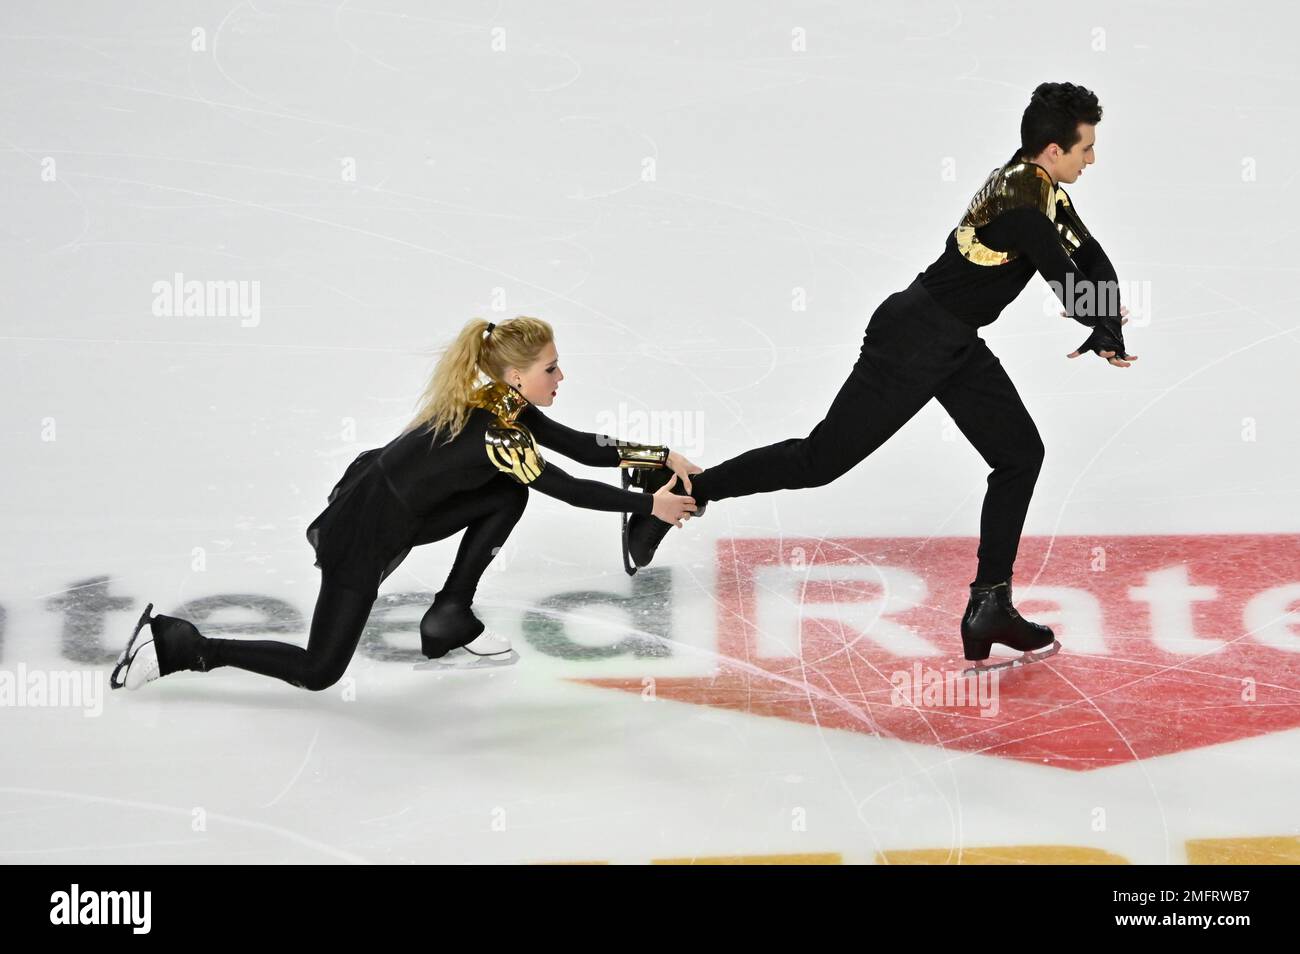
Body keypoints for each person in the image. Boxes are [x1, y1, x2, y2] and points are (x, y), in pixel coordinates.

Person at [625, 82, 1136, 674]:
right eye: (1086, 149)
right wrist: (1101, 321)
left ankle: (989, 606)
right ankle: (673, 495)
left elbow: (1090, 257)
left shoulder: (1041, 185)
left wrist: (1108, 327)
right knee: (820, 461)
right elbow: (1065, 280)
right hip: (913, 341)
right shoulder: (1022, 204)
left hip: (953, 342)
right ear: (1053, 149)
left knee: (1021, 455)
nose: (1091, 160)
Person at [112, 316, 699, 690]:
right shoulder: (499, 431)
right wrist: (650, 507)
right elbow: (566, 486)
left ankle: (448, 616)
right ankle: (182, 646)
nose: (561, 375)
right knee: (320, 671)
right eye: (551, 368)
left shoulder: (501, 404)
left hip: (398, 510)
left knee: (505, 492)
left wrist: (661, 454)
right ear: (517, 376)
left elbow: (576, 446)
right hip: (362, 533)